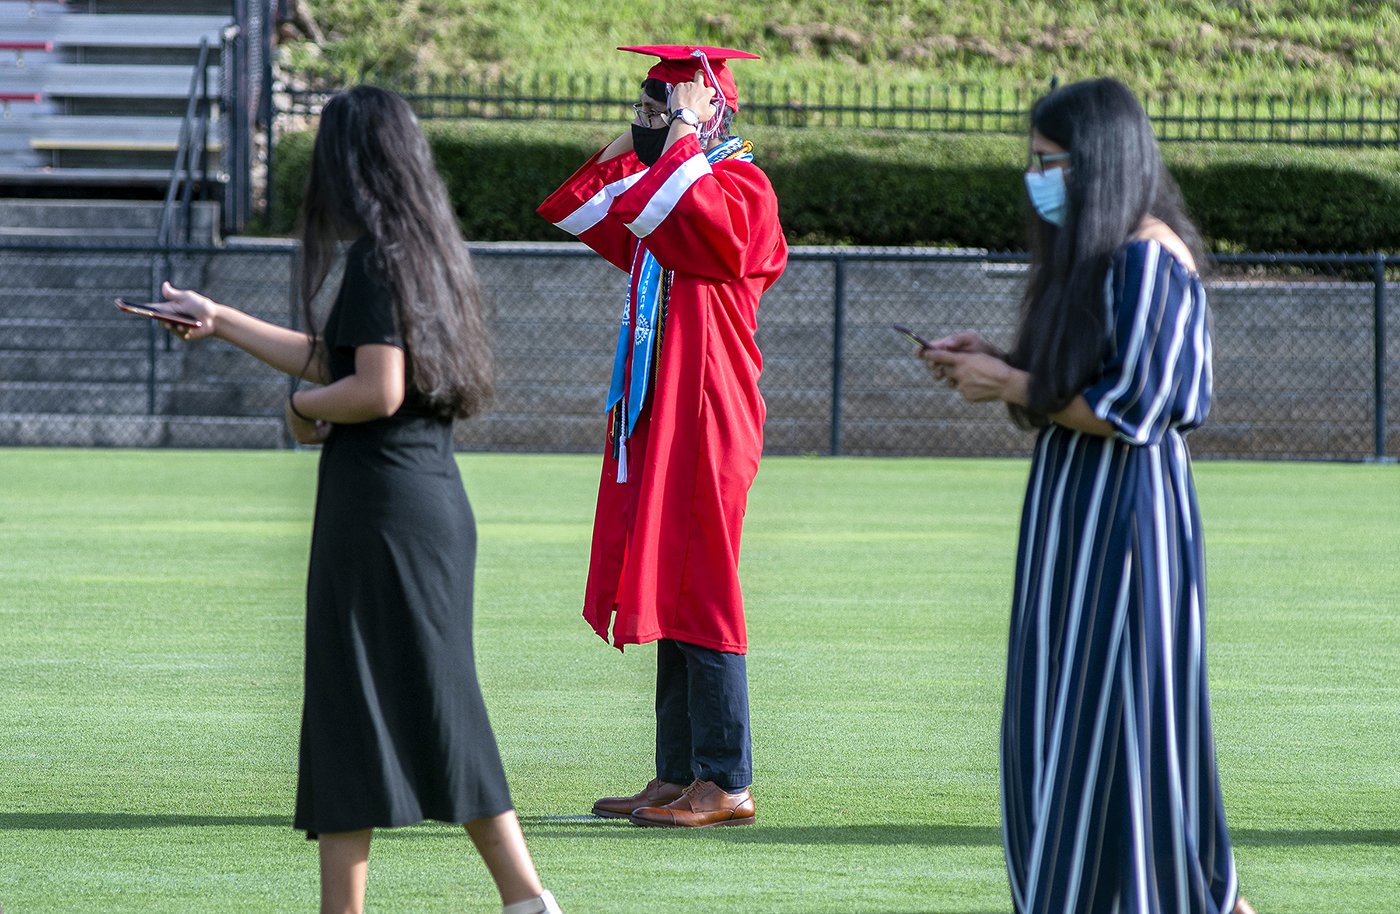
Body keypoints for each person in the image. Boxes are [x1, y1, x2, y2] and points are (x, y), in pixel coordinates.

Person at [158, 86, 562, 914]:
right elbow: (344, 360)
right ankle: (525, 901)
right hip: (424, 501)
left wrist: (301, 412)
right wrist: (223, 319)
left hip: (379, 509)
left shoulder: (379, 258)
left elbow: (372, 390)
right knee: (431, 696)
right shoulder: (427, 253)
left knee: (358, 702)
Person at [918, 78, 1255, 914]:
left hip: (1129, 519)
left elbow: (1139, 405)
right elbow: (1081, 380)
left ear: (1098, 159)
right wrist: (998, 361)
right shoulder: (1100, 255)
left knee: (1127, 729)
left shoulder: (1150, 255)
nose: (1038, 178)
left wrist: (1007, 380)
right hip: (1073, 511)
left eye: (1050, 162)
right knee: (1061, 723)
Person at [536, 45, 787, 828]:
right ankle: (678, 773)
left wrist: (684, 128)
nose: (652, 123)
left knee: (704, 585)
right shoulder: (665, 196)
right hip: (664, 411)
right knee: (677, 586)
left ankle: (727, 779)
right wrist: (639, 136)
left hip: (710, 414)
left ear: (713, 113)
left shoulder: (741, 186)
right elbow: (586, 209)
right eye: (645, 109)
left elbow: (698, 216)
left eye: (667, 108)